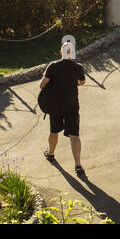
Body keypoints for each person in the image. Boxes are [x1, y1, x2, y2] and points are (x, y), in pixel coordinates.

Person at [40, 36, 87, 178]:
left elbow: (42, 85)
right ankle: (78, 164)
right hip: (72, 104)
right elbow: (82, 81)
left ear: (61, 52)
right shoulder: (78, 67)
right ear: (72, 53)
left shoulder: (53, 66)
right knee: (74, 135)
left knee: (54, 131)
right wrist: (74, 84)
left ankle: (51, 153)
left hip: (56, 105)